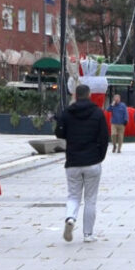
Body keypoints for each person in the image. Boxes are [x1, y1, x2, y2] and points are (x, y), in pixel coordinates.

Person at [55, 84, 109, 243]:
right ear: (89, 95)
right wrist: (100, 156)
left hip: (73, 161)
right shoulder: (98, 113)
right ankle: (88, 234)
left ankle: (70, 218)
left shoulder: (68, 112)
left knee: (73, 195)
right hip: (92, 160)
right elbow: (104, 138)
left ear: (75, 95)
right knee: (90, 199)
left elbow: (59, 132)